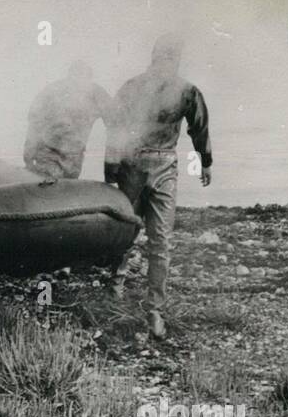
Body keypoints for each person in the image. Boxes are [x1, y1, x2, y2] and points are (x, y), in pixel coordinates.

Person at [104, 35, 213, 340]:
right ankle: (154, 310)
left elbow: (115, 128)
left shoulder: (132, 86)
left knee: (125, 230)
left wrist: (110, 168)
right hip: (164, 164)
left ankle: (116, 288)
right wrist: (205, 161)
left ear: (152, 57)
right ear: (175, 58)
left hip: (133, 164)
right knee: (160, 240)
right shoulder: (186, 89)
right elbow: (199, 126)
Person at [22, 60, 116, 180]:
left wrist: (112, 163)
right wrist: (28, 155)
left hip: (73, 157)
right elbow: (34, 122)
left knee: (65, 190)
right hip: (47, 154)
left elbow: (115, 123)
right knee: (49, 190)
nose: (78, 83)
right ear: (69, 76)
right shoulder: (51, 92)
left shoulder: (96, 94)